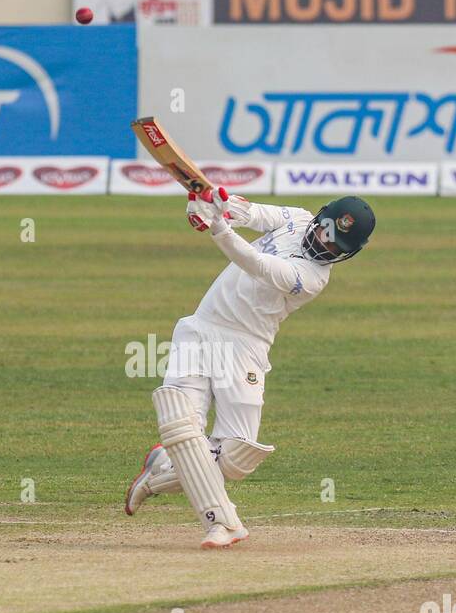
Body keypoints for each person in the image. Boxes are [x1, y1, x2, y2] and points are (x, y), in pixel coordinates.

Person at [126, 187, 376, 548]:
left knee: (235, 458)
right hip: (201, 327)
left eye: (337, 246)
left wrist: (218, 229)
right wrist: (215, 205)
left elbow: (255, 264)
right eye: (325, 233)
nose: (326, 246)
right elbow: (250, 212)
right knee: (180, 423)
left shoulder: (313, 277)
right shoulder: (295, 217)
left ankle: (159, 473)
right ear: (319, 219)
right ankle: (223, 522)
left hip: (246, 346)